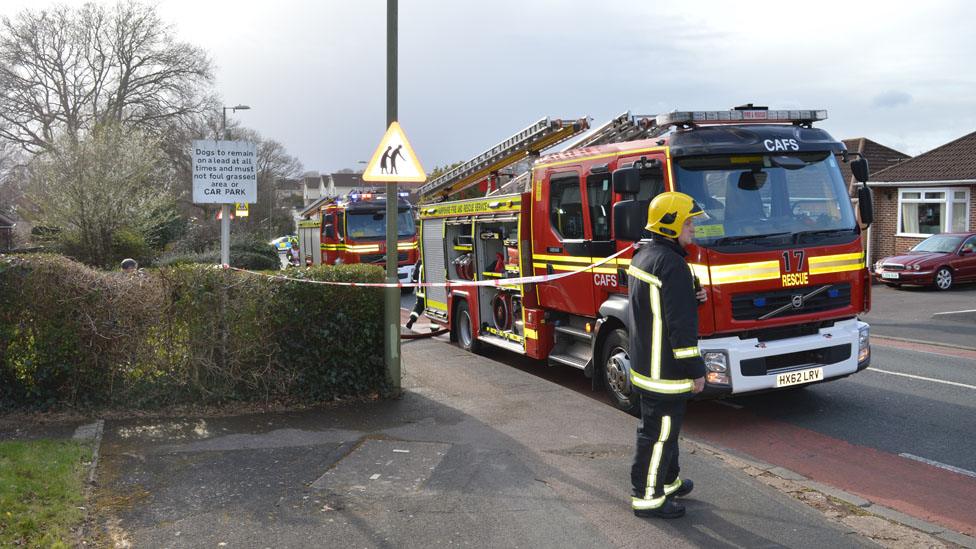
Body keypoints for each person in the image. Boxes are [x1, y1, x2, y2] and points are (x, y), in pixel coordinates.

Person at [627, 191, 708, 519]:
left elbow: (655, 308)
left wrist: (692, 298)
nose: (693, 229)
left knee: (664, 431)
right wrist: (697, 369)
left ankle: (668, 481)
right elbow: (680, 327)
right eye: (689, 223)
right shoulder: (673, 265)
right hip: (667, 372)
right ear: (671, 224)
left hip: (647, 365)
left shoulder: (645, 256)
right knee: (658, 436)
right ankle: (648, 498)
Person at [405, 259, 424, 329]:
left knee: (418, 308)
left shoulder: (419, 262)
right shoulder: (434, 262)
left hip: (420, 293)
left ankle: (411, 320)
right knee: (433, 310)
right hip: (432, 293)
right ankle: (434, 329)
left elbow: (414, 278)